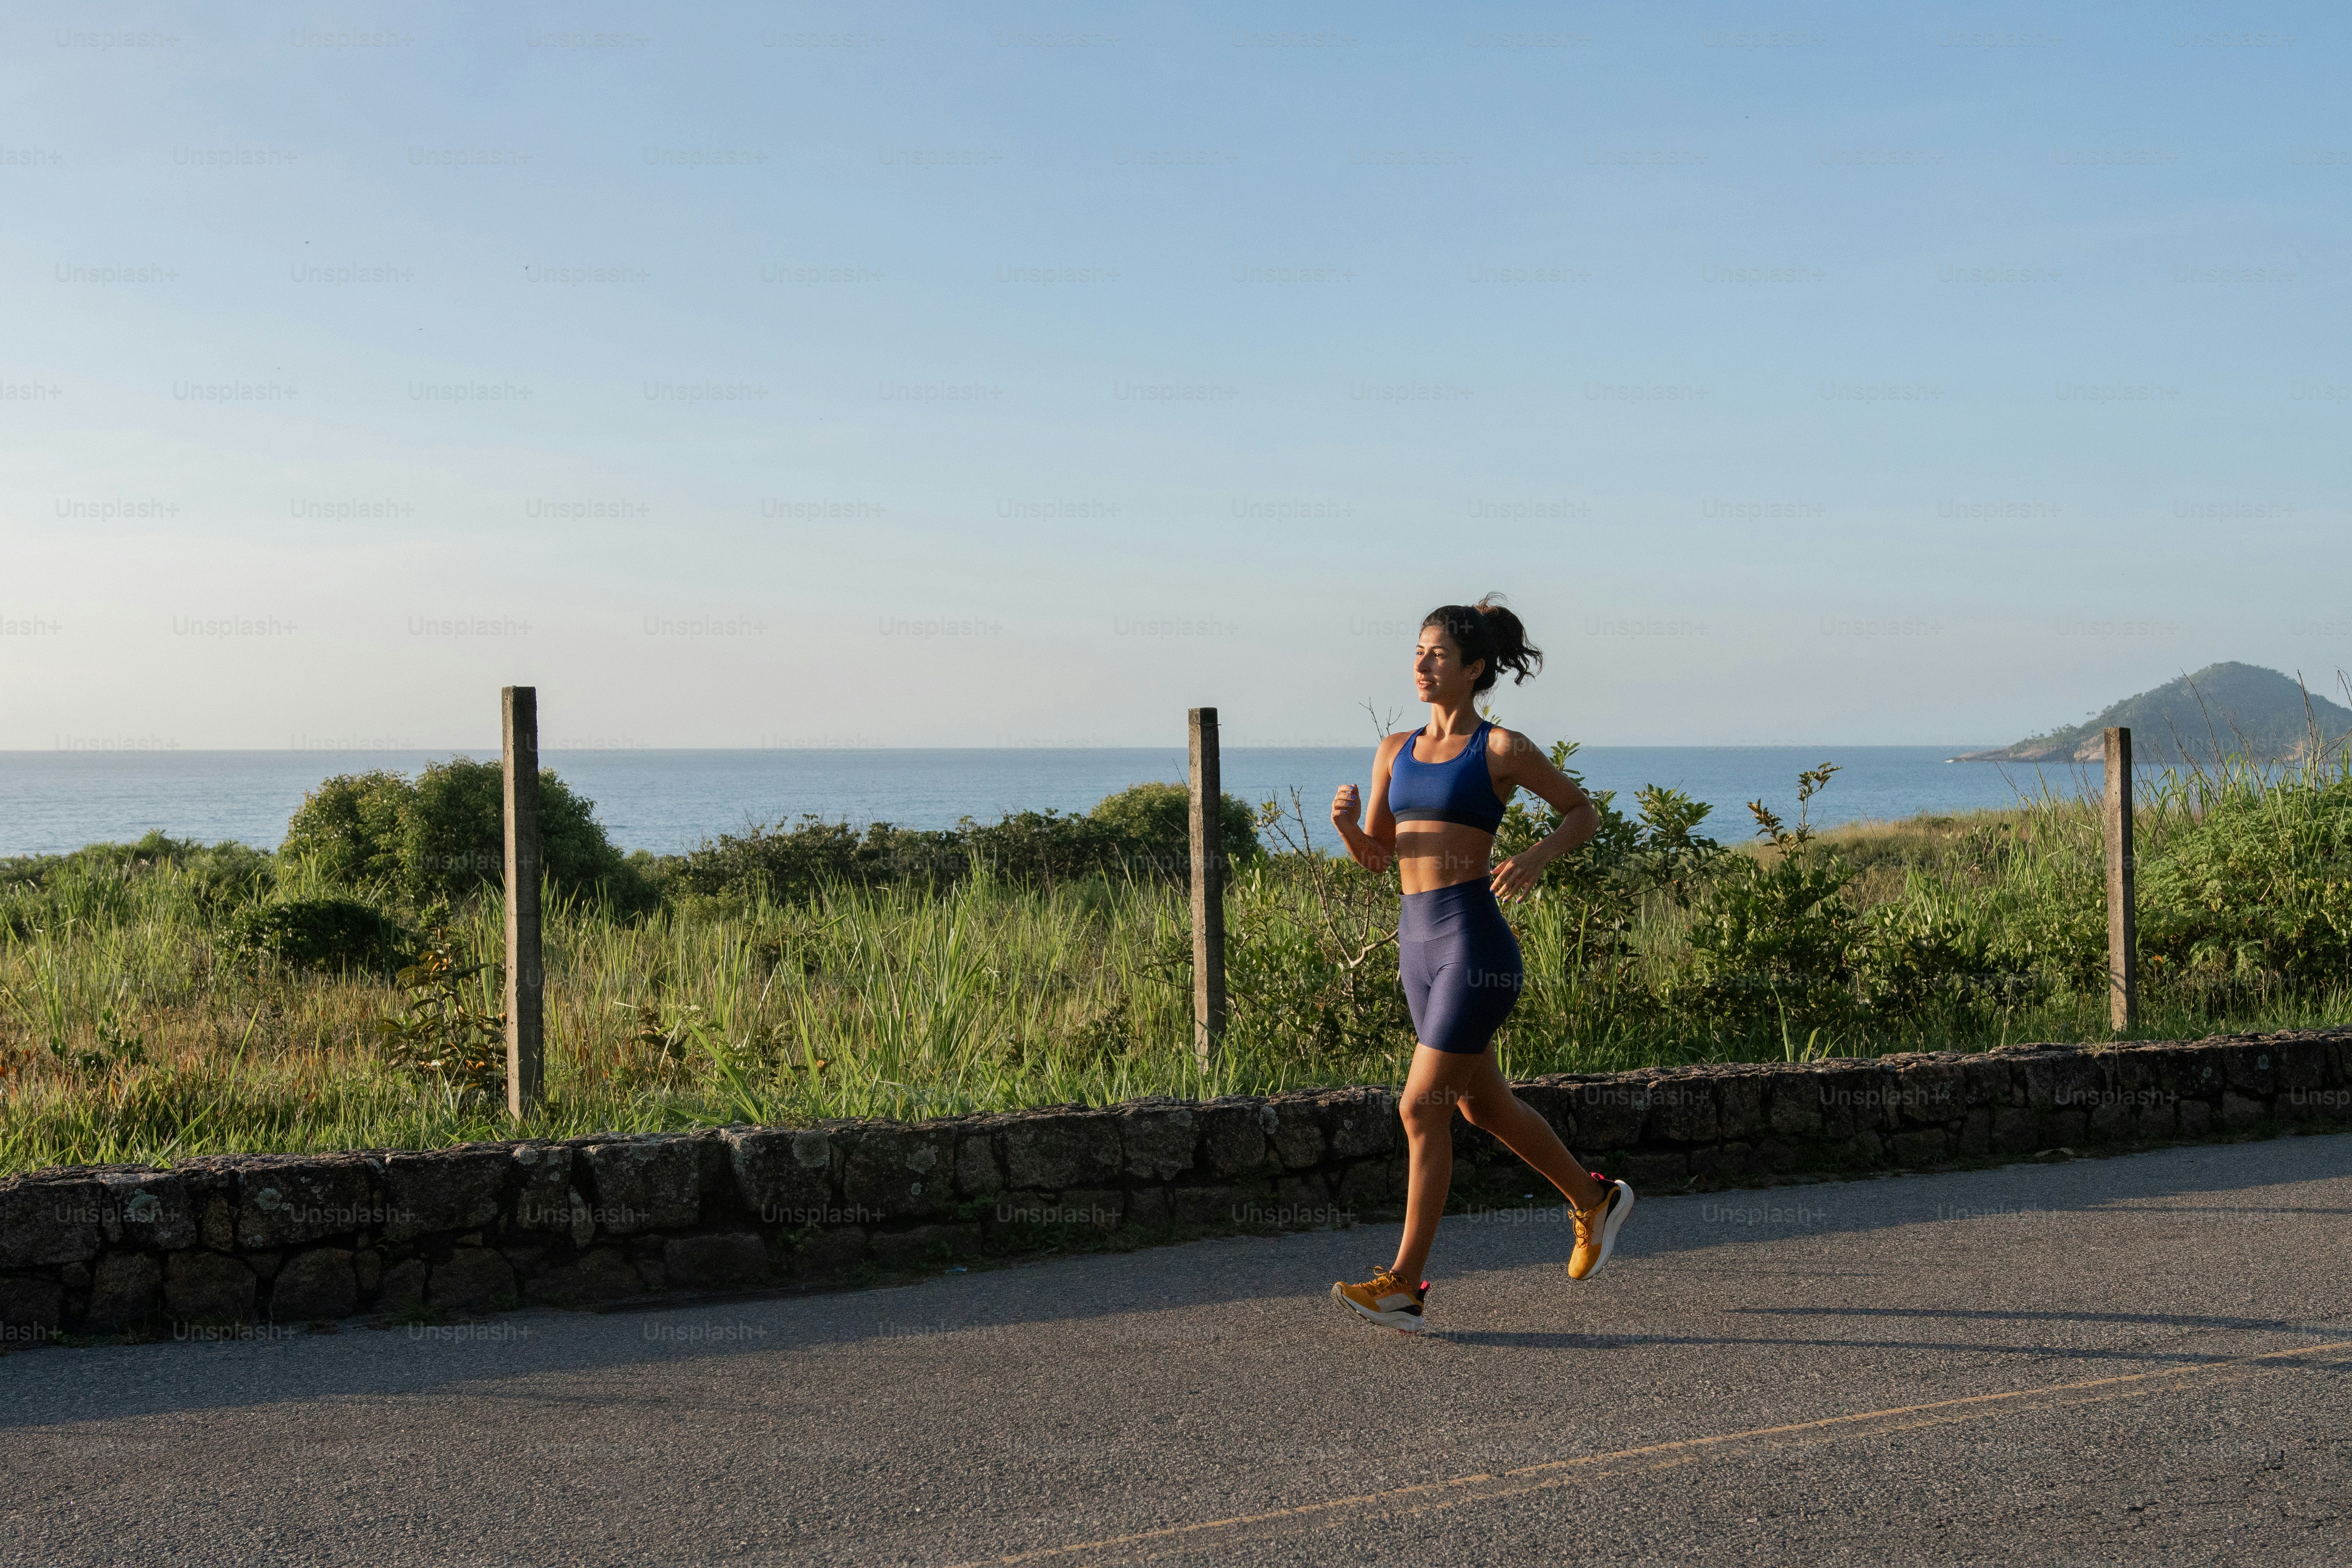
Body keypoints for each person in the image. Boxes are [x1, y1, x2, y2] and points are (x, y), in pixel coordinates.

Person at [1327, 597, 1636, 1331]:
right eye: (1418, 651)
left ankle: (1405, 1284)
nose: (1423, 664)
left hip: (1473, 945)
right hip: (1416, 947)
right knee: (1480, 1105)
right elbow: (1378, 858)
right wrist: (1345, 827)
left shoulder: (1500, 749)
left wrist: (1535, 855)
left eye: (1438, 655)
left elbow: (1581, 812)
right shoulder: (1393, 750)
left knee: (1419, 1107)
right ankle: (1595, 1201)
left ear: (1474, 669)